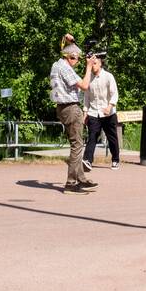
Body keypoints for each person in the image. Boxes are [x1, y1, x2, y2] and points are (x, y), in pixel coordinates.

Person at [49, 35, 100, 193]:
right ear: (69, 58)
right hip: (70, 108)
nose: (77, 61)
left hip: (63, 108)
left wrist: (70, 40)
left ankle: (81, 179)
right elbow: (85, 85)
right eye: (76, 59)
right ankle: (71, 183)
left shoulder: (57, 65)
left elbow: (67, 48)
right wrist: (89, 67)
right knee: (77, 146)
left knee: (77, 144)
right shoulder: (65, 68)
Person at [83, 55, 120, 170]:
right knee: (92, 136)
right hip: (94, 112)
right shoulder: (89, 78)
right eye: (91, 63)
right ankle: (87, 160)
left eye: (94, 63)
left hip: (108, 113)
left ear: (100, 64)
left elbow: (114, 93)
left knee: (112, 137)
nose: (92, 65)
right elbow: (87, 97)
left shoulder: (108, 77)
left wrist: (110, 106)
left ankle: (115, 160)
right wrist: (85, 112)